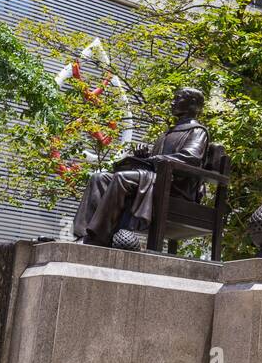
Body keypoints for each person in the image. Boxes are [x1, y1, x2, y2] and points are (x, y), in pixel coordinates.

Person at [72, 87, 210, 246]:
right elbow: (155, 160)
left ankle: (97, 237)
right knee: (99, 177)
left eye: (178, 98)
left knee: (122, 178)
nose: (172, 102)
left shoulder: (198, 131)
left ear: (192, 104)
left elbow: (190, 158)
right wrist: (144, 156)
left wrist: (156, 159)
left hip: (174, 186)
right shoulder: (168, 133)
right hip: (156, 178)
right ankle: (83, 235)